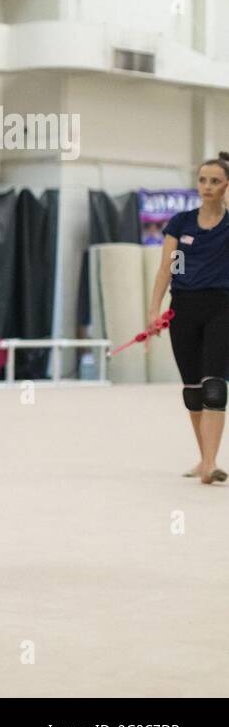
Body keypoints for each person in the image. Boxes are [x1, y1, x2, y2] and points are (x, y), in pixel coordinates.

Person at [148, 153, 229, 485]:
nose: (207, 186)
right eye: (202, 180)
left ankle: (210, 465)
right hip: (183, 308)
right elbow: (167, 267)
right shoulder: (181, 223)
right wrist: (154, 310)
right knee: (193, 391)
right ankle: (204, 459)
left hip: (221, 307)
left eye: (215, 181)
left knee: (214, 387)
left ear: (226, 185)